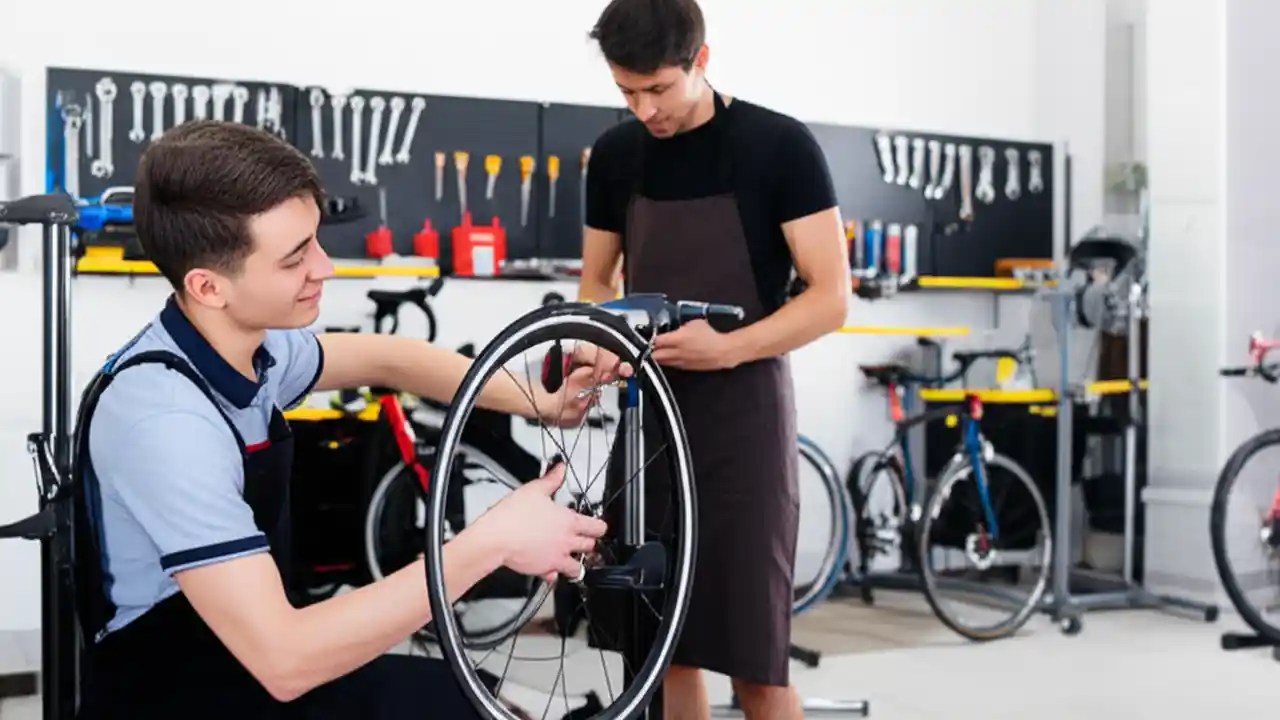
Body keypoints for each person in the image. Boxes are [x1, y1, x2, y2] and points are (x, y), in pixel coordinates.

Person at [73, 120, 620, 719]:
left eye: (315, 240)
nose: (326, 268)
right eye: (295, 258)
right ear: (209, 286)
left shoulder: (246, 348)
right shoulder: (166, 420)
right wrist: (489, 544)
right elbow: (286, 660)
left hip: (238, 653)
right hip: (172, 691)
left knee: (464, 698)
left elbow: (386, 357)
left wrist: (531, 399)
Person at [579, 1, 851, 718]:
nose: (643, 110)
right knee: (663, 648)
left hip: (745, 420)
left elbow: (830, 299)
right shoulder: (615, 157)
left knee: (756, 658)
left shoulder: (778, 148)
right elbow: (596, 284)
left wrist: (727, 348)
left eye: (658, 90)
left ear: (702, 60)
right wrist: (595, 342)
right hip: (651, 423)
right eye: (626, 93)